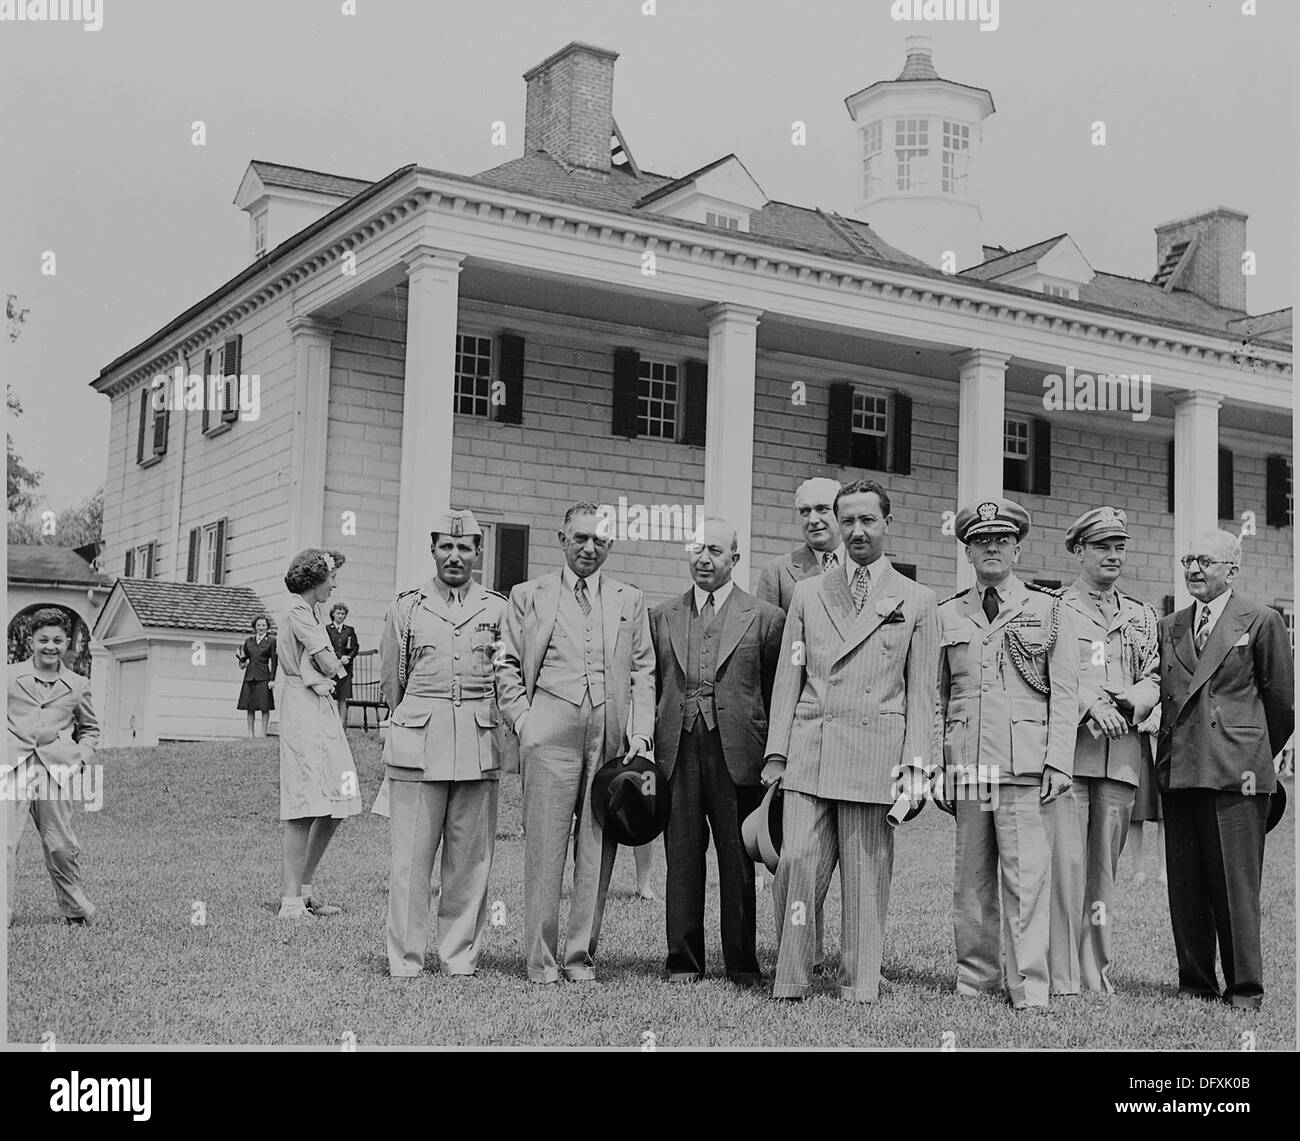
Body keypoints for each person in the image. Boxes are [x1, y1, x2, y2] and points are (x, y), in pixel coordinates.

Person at [763, 480, 939, 1002]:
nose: (857, 531)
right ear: (838, 529)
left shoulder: (917, 599)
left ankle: (859, 982)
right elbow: (788, 678)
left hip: (875, 752)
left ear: (887, 524)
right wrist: (776, 753)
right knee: (794, 862)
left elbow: (923, 692)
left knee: (865, 877)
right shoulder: (808, 593)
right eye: (848, 521)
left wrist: (918, 766)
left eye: (868, 520)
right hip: (812, 747)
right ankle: (793, 975)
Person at [495, 501, 655, 984]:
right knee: (544, 848)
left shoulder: (630, 598)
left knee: (597, 844)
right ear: (562, 538)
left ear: (611, 545)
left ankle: (580, 955)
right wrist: (523, 720)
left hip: (607, 733)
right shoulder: (527, 595)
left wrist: (641, 733)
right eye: (581, 538)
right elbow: (503, 661)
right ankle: (541, 960)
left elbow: (643, 669)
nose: (590, 548)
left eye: (600, 540)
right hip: (548, 724)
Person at [935, 498, 1079, 1011]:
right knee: (971, 884)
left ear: (1017, 548)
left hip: (1024, 766)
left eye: (1001, 540)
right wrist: (939, 768)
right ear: (968, 551)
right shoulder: (948, 613)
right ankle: (975, 980)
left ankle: (1029, 987)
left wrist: (1059, 760)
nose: (991, 548)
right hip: (970, 765)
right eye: (980, 541)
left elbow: (1065, 693)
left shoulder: (1048, 609)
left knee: (1025, 882)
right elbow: (938, 696)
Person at [1156, 531, 1293, 1010]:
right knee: (1187, 887)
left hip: (1238, 776)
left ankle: (1244, 991)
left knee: (1236, 890)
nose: (1193, 568)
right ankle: (1195, 983)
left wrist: (1246, 752)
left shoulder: (1262, 620)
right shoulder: (1170, 625)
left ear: (1232, 569)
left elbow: (1281, 704)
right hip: (1180, 773)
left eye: (1205, 561)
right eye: (1188, 560)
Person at [378, 509, 516, 977]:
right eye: (445, 546)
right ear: (432, 550)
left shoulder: (498, 609)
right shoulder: (407, 608)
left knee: (469, 861)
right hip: (418, 741)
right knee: (410, 862)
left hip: (478, 743)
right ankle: (407, 959)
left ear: (479, 553)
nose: (454, 556)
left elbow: (506, 677)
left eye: (464, 548)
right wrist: (410, 723)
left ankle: (458, 955)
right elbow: (392, 686)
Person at [649, 517, 785, 985]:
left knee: (737, 861)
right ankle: (683, 961)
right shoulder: (663, 615)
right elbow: (655, 686)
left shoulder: (765, 617)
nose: (703, 558)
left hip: (738, 754)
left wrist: (773, 754)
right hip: (678, 751)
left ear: (734, 559)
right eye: (695, 549)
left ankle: (742, 964)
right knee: (682, 859)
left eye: (714, 550)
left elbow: (773, 693)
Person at [1049, 507, 1159, 996]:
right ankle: (1060, 970)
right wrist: (1089, 703)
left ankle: (1095, 970)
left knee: (1103, 873)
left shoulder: (1141, 614)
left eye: (1119, 546)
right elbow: (1044, 679)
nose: (1113, 555)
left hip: (1122, 759)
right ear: (1078, 550)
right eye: (1101, 546)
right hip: (1071, 755)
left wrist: (1136, 699)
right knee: (1065, 866)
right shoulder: (1053, 608)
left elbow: (1155, 676)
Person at [755, 475, 843, 967]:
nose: (814, 519)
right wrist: (777, 746)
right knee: (795, 857)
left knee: (854, 856)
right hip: (801, 732)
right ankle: (798, 952)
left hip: (854, 734)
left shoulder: (866, 569)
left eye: (824, 509)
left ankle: (851, 956)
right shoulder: (780, 574)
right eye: (805, 511)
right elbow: (772, 667)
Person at [277, 549, 363, 920]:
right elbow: (328, 661)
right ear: (315, 579)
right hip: (301, 707)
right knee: (303, 803)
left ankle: (305, 889)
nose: (335, 583)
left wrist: (332, 670)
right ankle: (290, 901)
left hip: (320, 705)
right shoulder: (299, 612)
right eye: (331, 577)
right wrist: (338, 669)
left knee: (337, 798)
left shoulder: (313, 613)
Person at [4, 608, 100, 927]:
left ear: (67, 643)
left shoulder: (77, 684)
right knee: (5, 842)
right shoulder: (9, 677)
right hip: (13, 767)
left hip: (54, 770)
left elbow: (89, 728)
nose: (50, 646)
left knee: (60, 843)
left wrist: (82, 757)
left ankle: (75, 909)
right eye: (43, 639)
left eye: (58, 640)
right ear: (31, 641)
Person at [235, 615, 277, 738]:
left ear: (267, 627)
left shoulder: (272, 641)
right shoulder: (249, 641)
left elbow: (274, 661)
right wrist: (241, 660)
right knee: (250, 707)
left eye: (263, 625)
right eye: (259, 625)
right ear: (255, 627)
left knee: (264, 707)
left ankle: (263, 734)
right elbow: (244, 659)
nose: (261, 627)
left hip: (264, 676)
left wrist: (272, 679)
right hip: (250, 676)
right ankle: (250, 735)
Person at [325, 604, 359, 727]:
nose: (340, 616)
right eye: (338, 613)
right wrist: (339, 657)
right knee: (329, 695)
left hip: (345, 669)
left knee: (342, 697)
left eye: (343, 614)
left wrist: (348, 657)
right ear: (333, 614)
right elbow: (328, 646)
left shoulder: (349, 630)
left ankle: (341, 725)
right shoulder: (328, 629)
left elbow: (355, 647)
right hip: (332, 667)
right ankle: (329, 725)